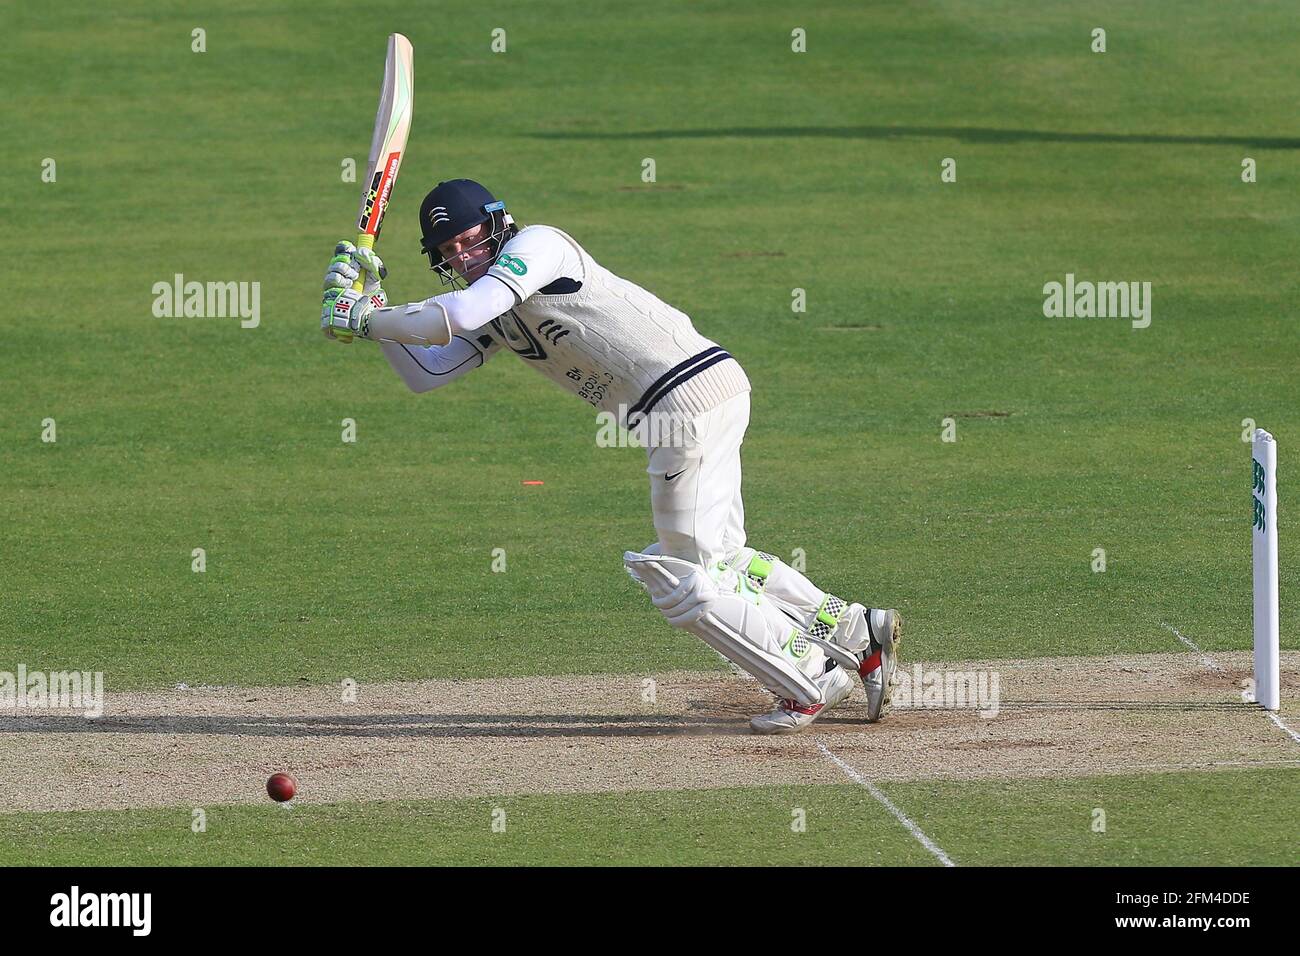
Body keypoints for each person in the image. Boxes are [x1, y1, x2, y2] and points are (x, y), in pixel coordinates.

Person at [320, 179, 902, 733]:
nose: (463, 256)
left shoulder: (539, 246)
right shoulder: (491, 301)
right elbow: (427, 371)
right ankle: (855, 630)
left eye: (470, 240)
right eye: (449, 251)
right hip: (697, 397)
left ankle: (809, 674)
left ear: (498, 224)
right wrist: (373, 309)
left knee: (681, 576)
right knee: (721, 557)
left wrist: (366, 319)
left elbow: (462, 313)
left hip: (683, 401)